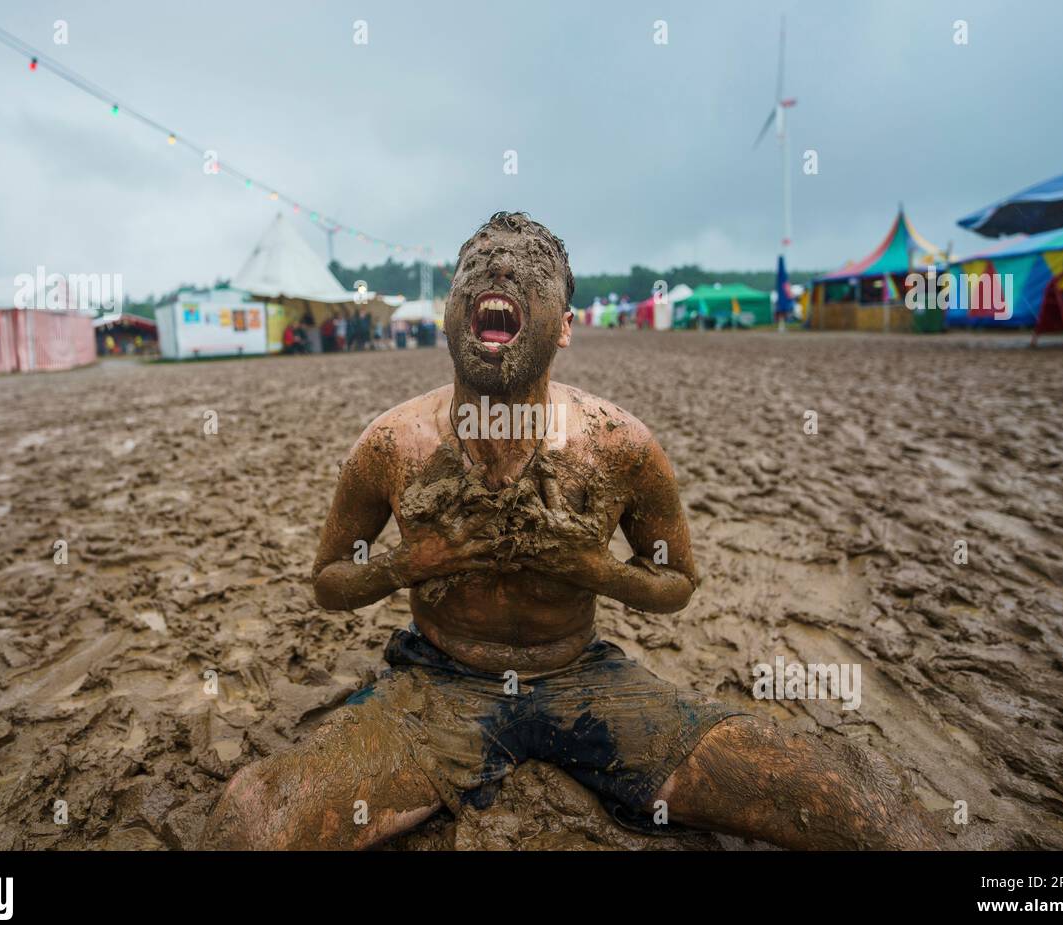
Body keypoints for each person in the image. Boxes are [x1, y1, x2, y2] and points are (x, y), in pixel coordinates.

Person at [202, 212, 945, 851]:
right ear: (449, 314)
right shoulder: (393, 445)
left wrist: (598, 571)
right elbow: (329, 582)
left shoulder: (617, 445)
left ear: (564, 327)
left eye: (529, 265)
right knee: (250, 821)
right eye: (475, 262)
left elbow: (678, 583)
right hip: (441, 686)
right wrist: (408, 564)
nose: (496, 264)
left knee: (843, 803)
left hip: (583, 677)